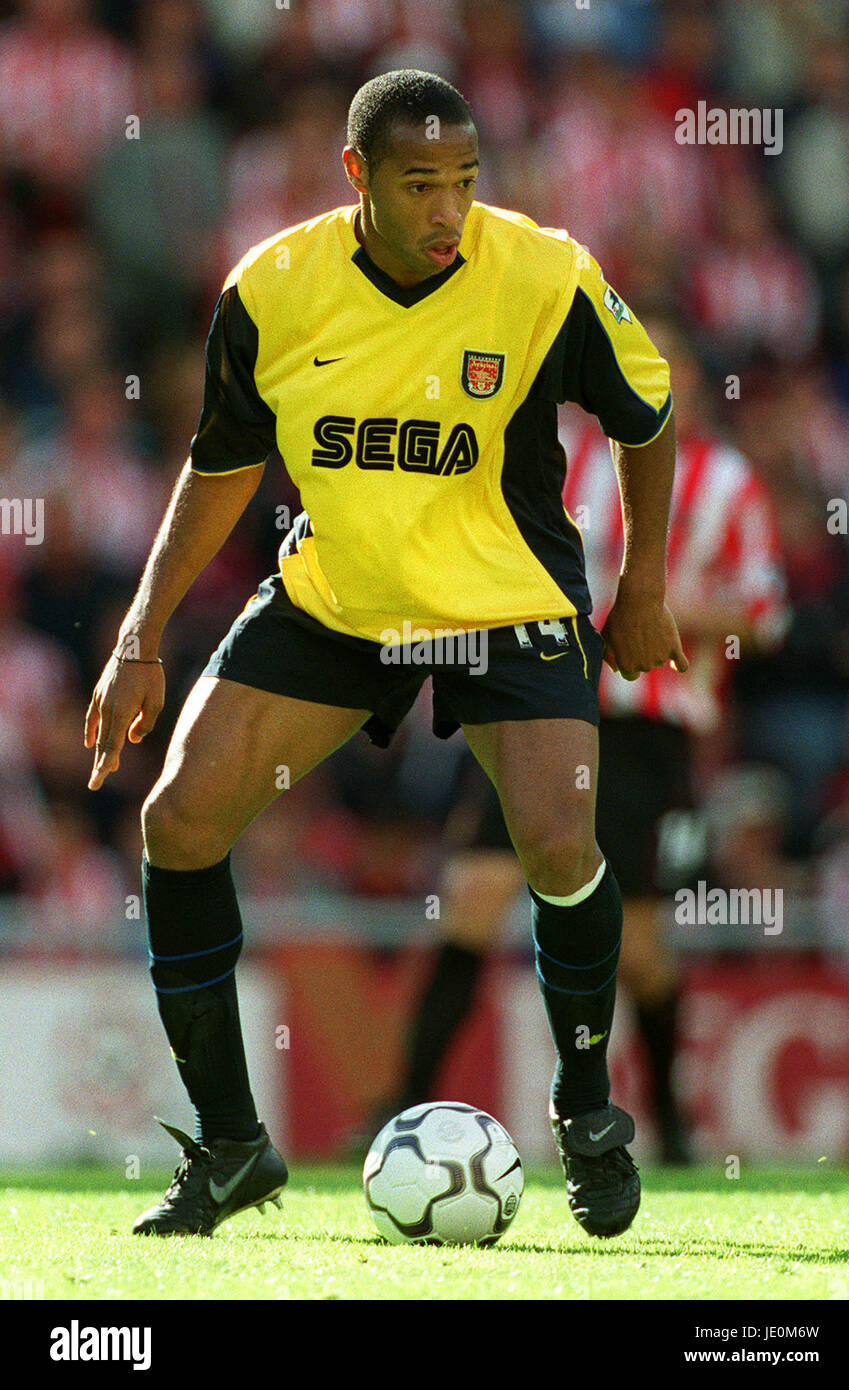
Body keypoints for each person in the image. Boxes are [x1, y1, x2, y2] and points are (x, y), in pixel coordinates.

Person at [84, 70, 684, 1239]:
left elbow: (646, 416)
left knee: (561, 848)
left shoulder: (544, 274)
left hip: (506, 599)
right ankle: (230, 1147)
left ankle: (584, 1106)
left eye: (464, 181)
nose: (448, 210)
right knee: (179, 820)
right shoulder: (272, 289)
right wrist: (139, 635)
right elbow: (219, 466)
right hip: (341, 598)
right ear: (356, 177)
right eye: (421, 186)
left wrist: (643, 585)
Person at [370, 315, 787, 1164]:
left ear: (695, 385)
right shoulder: (563, 453)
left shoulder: (728, 482)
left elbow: (766, 610)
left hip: (643, 726)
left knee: (634, 948)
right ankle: (398, 1107)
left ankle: (666, 1131)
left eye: (669, 365)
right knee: (474, 895)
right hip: (543, 705)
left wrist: (652, 610)